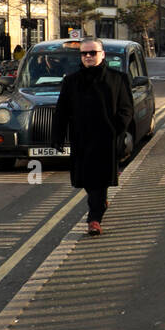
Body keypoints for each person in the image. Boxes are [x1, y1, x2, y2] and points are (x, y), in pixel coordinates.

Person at [51, 38, 134, 236]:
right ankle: (99, 203)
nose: (88, 56)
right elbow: (62, 111)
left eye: (92, 53)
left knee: (100, 179)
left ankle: (94, 218)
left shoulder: (118, 78)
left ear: (102, 54)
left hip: (107, 139)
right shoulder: (71, 81)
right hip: (82, 138)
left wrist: (116, 130)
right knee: (87, 180)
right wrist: (58, 136)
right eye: (84, 53)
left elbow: (126, 109)